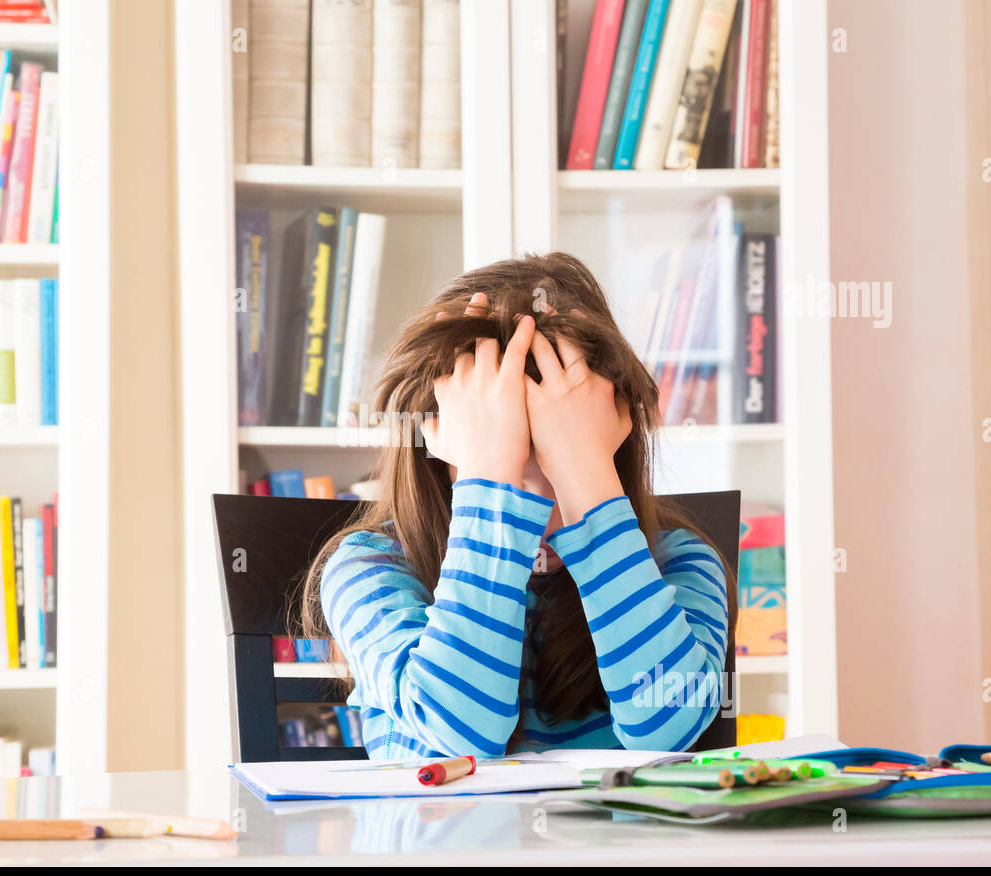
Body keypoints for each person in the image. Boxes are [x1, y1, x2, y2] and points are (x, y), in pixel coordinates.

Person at [302, 253, 734, 758]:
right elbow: (463, 736)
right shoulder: (367, 569)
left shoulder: (679, 563)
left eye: (554, 460)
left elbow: (668, 731)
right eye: (503, 462)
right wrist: (490, 485)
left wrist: (588, 480)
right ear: (437, 449)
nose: (530, 496)